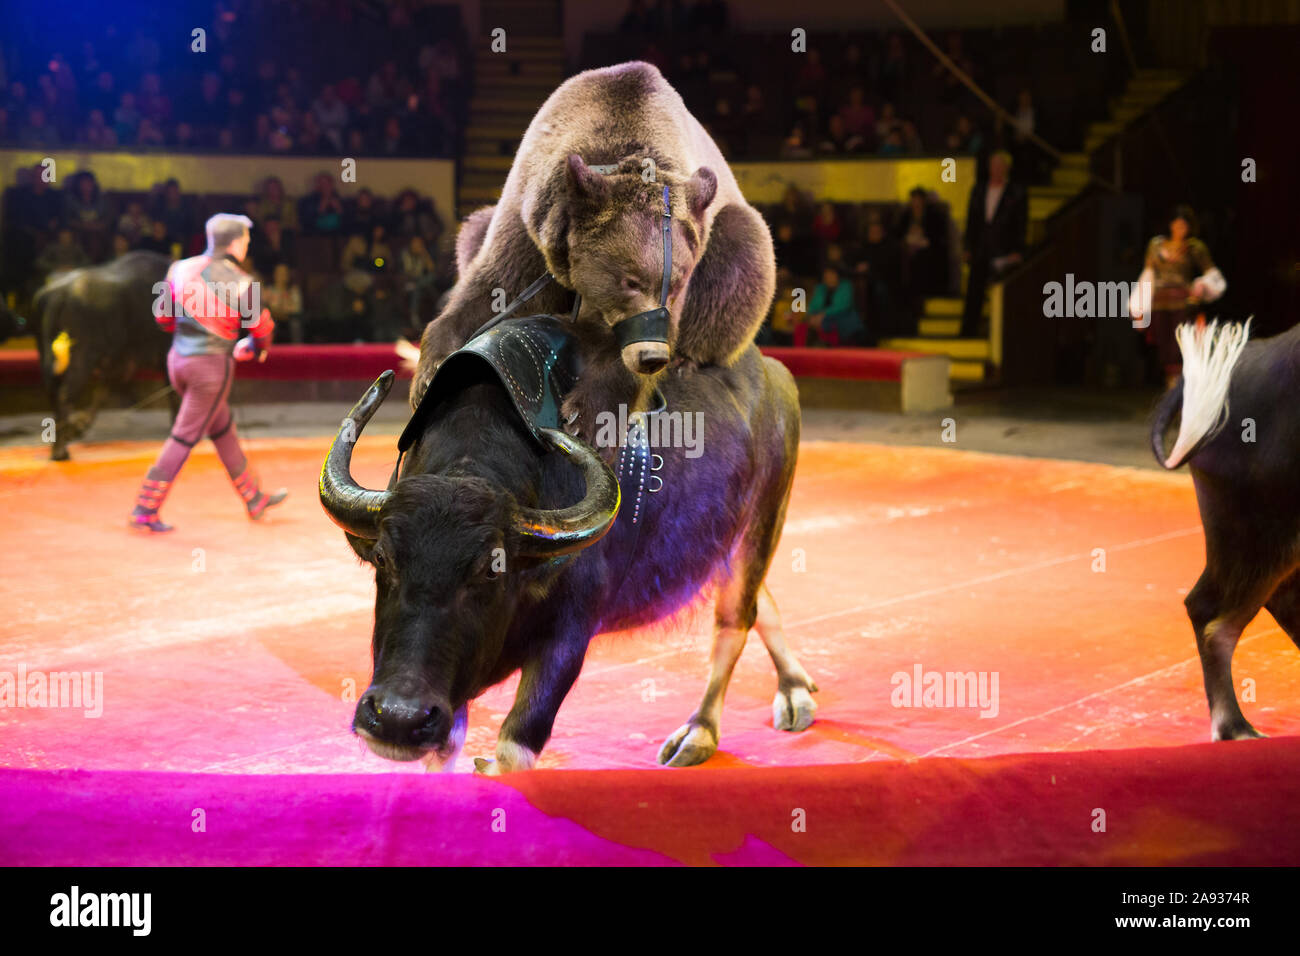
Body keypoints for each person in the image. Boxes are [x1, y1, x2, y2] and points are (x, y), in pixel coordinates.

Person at [128, 214, 286, 533]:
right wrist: (252, 347)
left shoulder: (178, 268)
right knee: (183, 437)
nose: (248, 244)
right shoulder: (244, 282)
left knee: (222, 428)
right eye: (247, 240)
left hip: (178, 361)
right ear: (236, 242)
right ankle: (145, 507)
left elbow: (162, 318)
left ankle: (253, 497)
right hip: (211, 369)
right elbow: (263, 329)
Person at [1128, 204, 1226, 387]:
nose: (1180, 228)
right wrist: (1139, 304)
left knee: (1178, 351)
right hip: (1159, 303)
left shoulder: (1195, 247)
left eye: (1184, 225)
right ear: (1170, 224)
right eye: (1177, 224)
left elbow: (1212, 274)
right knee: (1164, 352)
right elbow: (1148, 274)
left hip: (1183, 304)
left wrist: (1202, 285)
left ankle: (1179, 393)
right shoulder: (1156, 245)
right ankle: (1171, 391)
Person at [961, 151, 1026, 336]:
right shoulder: (979, 190)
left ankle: (999, 333)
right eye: (993, 165)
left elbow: (1020, 223)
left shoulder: (1016, 193)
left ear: (1006, 168)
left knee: (1002, 294)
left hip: (1003, 249)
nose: (996, 169)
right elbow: (971, 221)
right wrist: (967, 246)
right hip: (980, 248)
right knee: (974, 291)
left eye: (1000, 165)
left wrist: (1017, 250)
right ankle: (967, 331)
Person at [796, 265, 864, 347]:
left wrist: (823, 315)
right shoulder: (820, 288)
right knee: (802, 327)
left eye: (831, 274)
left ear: (837, 275)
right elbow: (813, 306)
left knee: (826, 324)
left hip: (841, 317)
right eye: (826, 275)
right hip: (819, 318)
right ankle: (801, 353)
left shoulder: (846, 286)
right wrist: (811, 317)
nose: (828, 277)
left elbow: (842, 306)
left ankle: (830, 352)